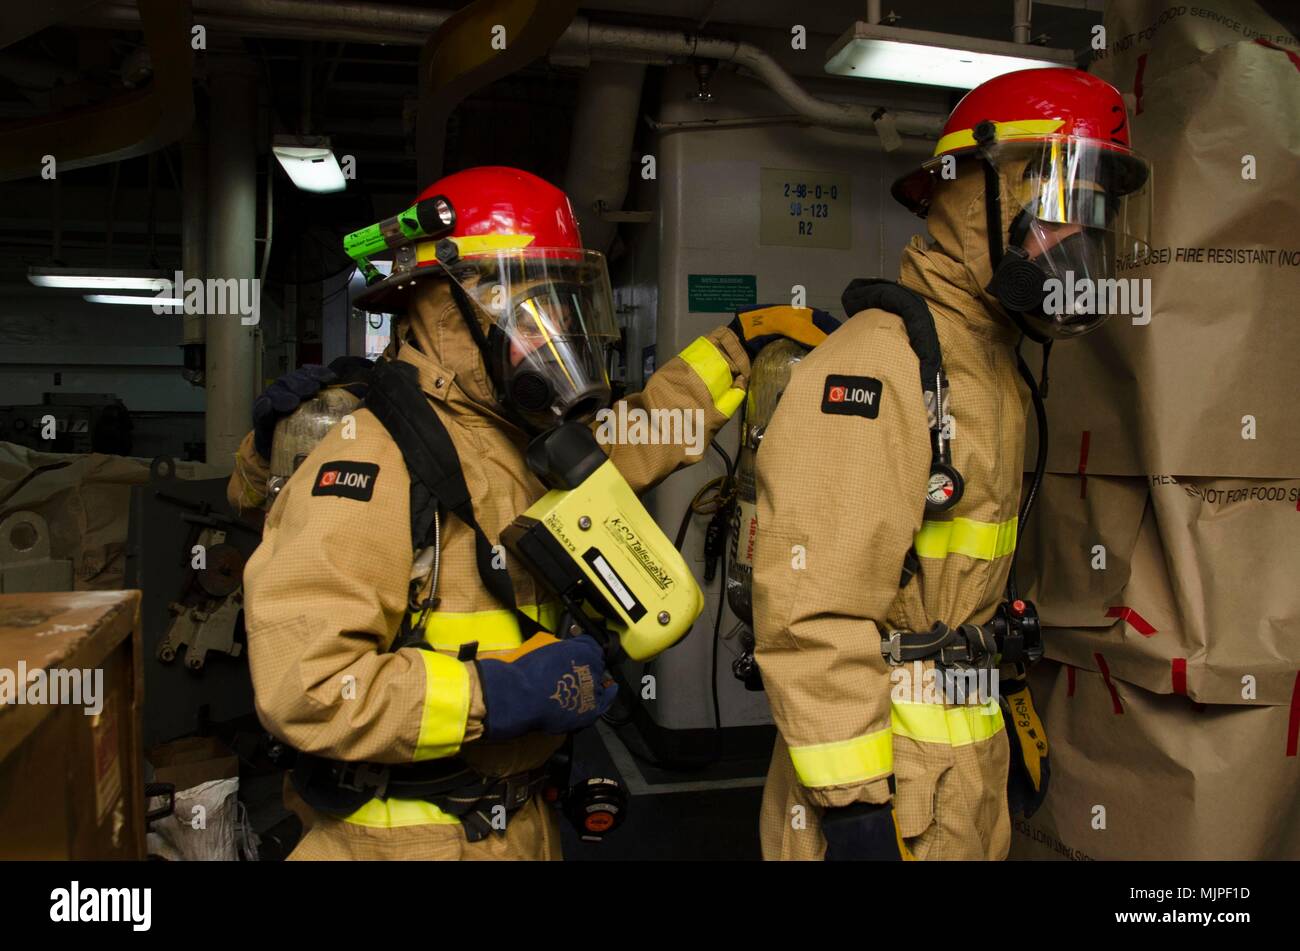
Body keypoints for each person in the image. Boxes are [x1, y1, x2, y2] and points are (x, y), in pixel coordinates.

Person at [235, 166, 834, 860]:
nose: (552, 326)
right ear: (445, 303)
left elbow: (641, 432)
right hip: (401, 840)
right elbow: (304, 685)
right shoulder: (371, 460)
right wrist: (496, 692)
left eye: (563, 301)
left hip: (515, 824)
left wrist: (738, 348)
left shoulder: (511, 433)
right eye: (529, 296)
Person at [750, 68, 1151, 860]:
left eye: (1094, 215)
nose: (1081, 243)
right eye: (1062, 207)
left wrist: (997, 694)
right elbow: (811, 613)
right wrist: (854, 811)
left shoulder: (991, 365)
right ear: (978, 199)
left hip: (952, 775)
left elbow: (952, 589)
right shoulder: (878, 365)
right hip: (878, 792)